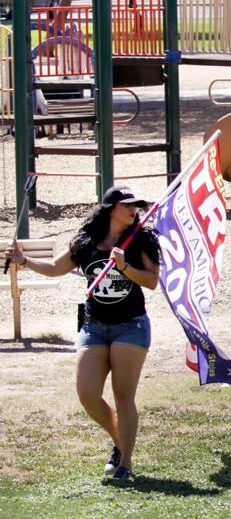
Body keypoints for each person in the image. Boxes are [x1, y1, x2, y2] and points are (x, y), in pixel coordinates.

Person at [4, 186, 161, 484]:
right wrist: (24, 261)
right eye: (127, 205)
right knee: (88, 394)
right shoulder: (86, 241)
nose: (134, 210)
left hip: (131, 325)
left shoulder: (141, 239)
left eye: (136, 206)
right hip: (94, 326)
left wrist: (124, 266)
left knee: (123, 396)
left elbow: (152, 282)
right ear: (110, 208)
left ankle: (125, 464)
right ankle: (119, 441)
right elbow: (54, 268)